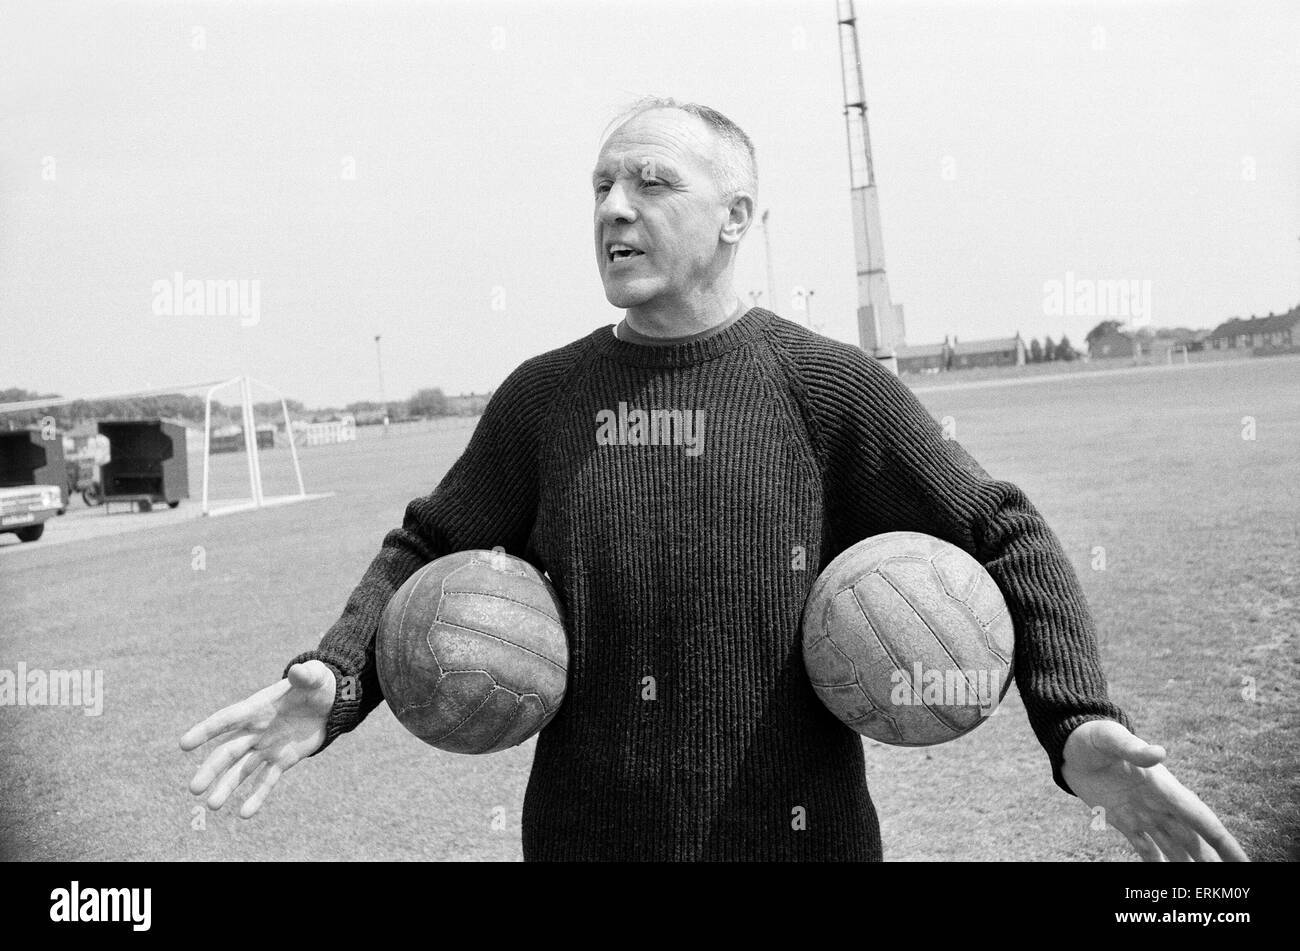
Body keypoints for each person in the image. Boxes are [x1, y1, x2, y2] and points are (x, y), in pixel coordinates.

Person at [181, 97, 1247, 862]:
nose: (613, 208)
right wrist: (336, 675)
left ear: (736, 218)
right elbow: (426, 546)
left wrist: (1077, 722)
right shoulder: (543, 400)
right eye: (600, 185)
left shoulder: (825, 389)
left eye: (652, 183)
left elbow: (1001, 529)